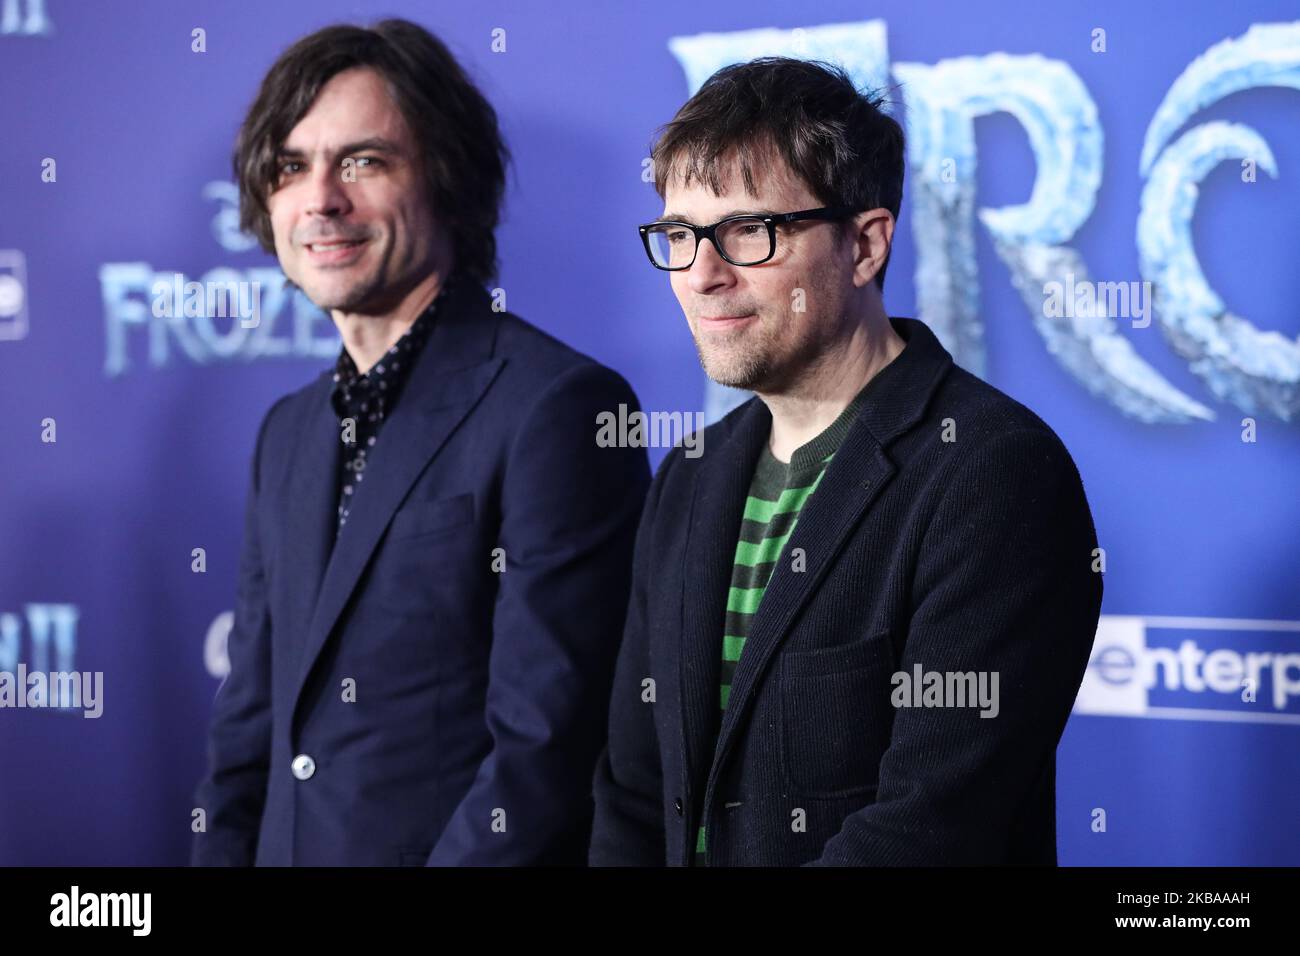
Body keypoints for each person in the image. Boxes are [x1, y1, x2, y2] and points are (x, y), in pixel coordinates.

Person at [590, 57, 1103, 866]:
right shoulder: (688, 476)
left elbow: (928, 831)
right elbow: (632, 792)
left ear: (865, 246)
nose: (703, 275)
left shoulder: (994, 474)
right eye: (681, 235)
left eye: (748, 232)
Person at [192, 19, 649, 866]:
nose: (322, 198)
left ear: (448, 181)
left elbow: (543, 751)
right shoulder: (286, 431)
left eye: (363, 161)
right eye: (291, 166)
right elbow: (248, 730)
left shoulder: (557, 407)